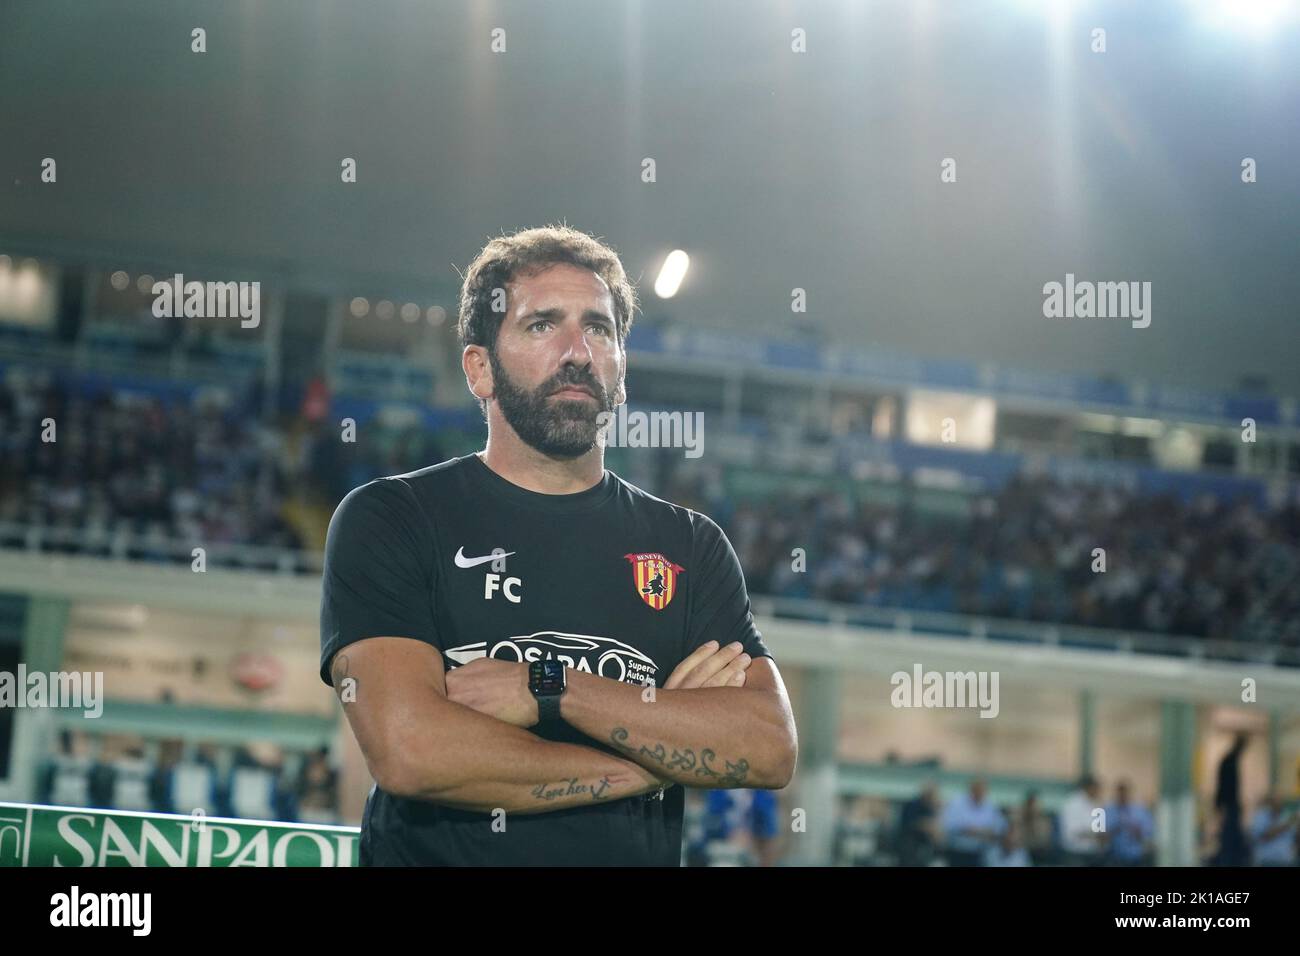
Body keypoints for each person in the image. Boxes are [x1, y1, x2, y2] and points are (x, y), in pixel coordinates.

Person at [319, 226, 798, 865]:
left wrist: (551, 687)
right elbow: (411, 752)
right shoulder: (394, 518)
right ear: (479, 368)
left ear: (621, 372)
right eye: (543, 325)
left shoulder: (688, 548)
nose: (578, 351)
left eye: (599, 328)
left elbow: (767, 746)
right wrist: (653, 760)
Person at [941, 778, 1006, 866]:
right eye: (977, 789)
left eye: (982, 790)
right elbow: (950, 825)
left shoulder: (990, 806)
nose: (980, 792)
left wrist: (975, 831)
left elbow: (1000, 828)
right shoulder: (957, 803)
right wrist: (975, 831)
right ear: (971, 789)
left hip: (980, 853)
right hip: (958, 852)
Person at [1213, 733, 1250, 866]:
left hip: (1230, 805)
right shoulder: (1229, 760)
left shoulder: (1231, 760)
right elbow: (1225, 787)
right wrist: (1221, 807)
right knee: (1230, 841)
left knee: (1232, 841)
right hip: (1229, 806)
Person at [1060, 775, 1107, 865]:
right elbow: (1072, 831)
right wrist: (1094, 834)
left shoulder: (1098, 804)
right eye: (1096, 788)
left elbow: (1100, 830)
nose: (1098, 792)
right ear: (1088, 787)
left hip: (1094, 853)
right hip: (1076, 853)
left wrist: (1102, 837)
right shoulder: (1072, 804)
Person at [1106, 780, 1154, 866]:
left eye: (1125, 792)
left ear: (1130, 792)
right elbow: (1101, 835)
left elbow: (1149, 833)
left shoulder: (1141, 810)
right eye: (1120, 792)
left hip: (1136, 856)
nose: (1122, 796)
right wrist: (1115, 828)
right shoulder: (1109, 810)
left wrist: (1137, 831)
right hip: (1114, 856)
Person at [896, 782, 940, 866]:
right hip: (908, 843)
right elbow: (912, 822)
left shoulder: (929, 807)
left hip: (922, 845)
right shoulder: (912, 804)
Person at [1250, 791, 1296, 866]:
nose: (1279, 803)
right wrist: (1286, 825)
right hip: (1266, 861)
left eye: (1280, 800)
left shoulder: (1287, 815)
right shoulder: (1261, 816)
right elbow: (1262, 837)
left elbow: (1294, 839)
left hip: (1285, 861)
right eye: (1275, 800)